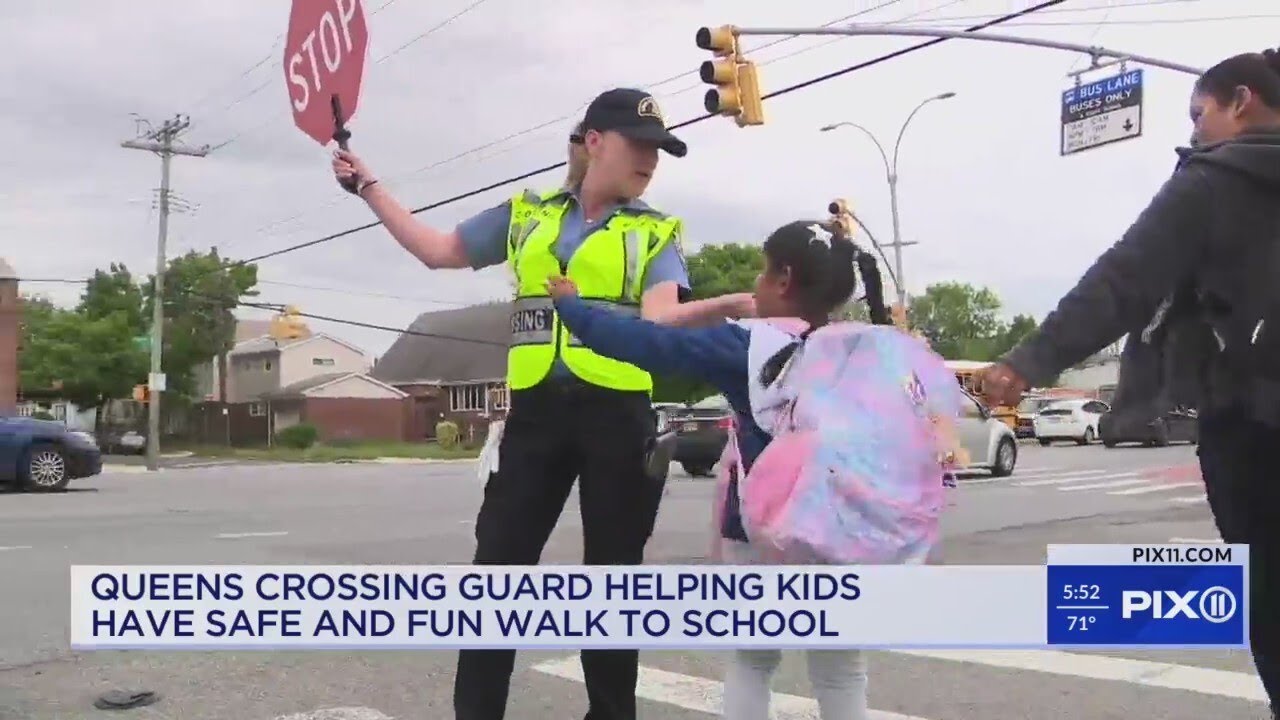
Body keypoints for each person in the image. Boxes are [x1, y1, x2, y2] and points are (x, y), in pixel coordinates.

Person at [332, 87, 755, 720]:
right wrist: (370, 187)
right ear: (594, 143)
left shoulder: (652, 230)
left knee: (613, 585)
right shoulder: (528, 215)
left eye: (658, 151)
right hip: (533, 418)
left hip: (619, 417)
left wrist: (724, 306)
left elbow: (661, 316)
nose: (650, 160)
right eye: (638, 146)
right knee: (496, 575)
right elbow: (437, 250)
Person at [975, 48, 1280, 716]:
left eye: (1200, 114)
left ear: (1241, 100)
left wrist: (1027, 361)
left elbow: (1125, 280)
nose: (1195, 131)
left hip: (1256, 429)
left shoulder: (1214, 181)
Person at [545, 219, 894, 720]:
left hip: (761, 526)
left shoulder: (745, 344)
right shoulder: (861, 346)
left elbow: (642, 342)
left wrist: (571, 307)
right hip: (841, 526)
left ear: (783, 280)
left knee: (754, 660)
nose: (755, 283)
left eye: (762, 270)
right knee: (841, 668)